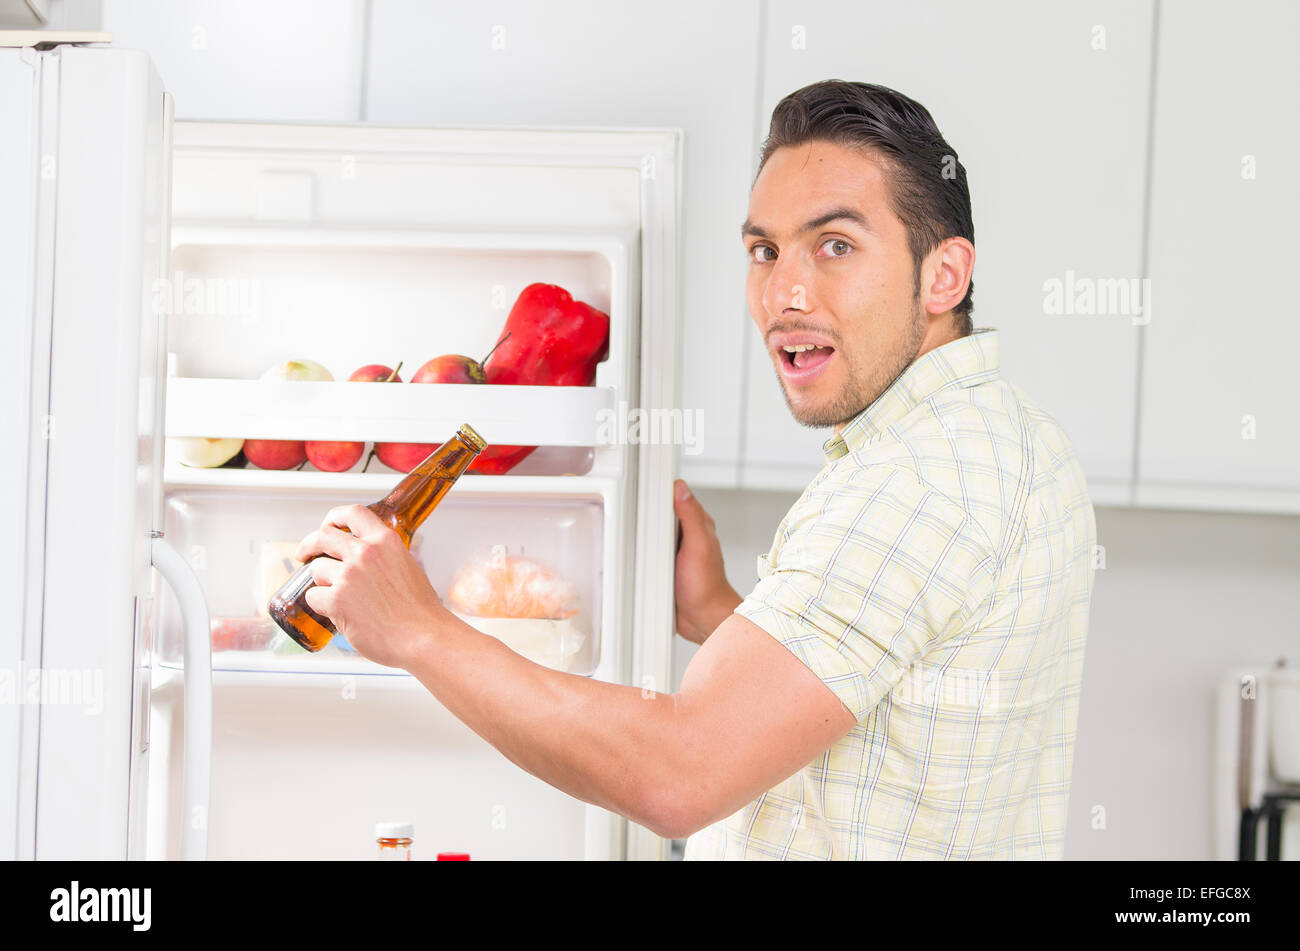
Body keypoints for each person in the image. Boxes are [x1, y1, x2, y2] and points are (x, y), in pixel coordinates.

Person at [292, 79, 1097, 860]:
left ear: (943, 275)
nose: (784, 290)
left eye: (836, 245)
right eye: (764, 249)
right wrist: (720, 613)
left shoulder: (920, 478)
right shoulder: (1003, 437)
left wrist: (418, 630)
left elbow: (679, 770)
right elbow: (877, 717)